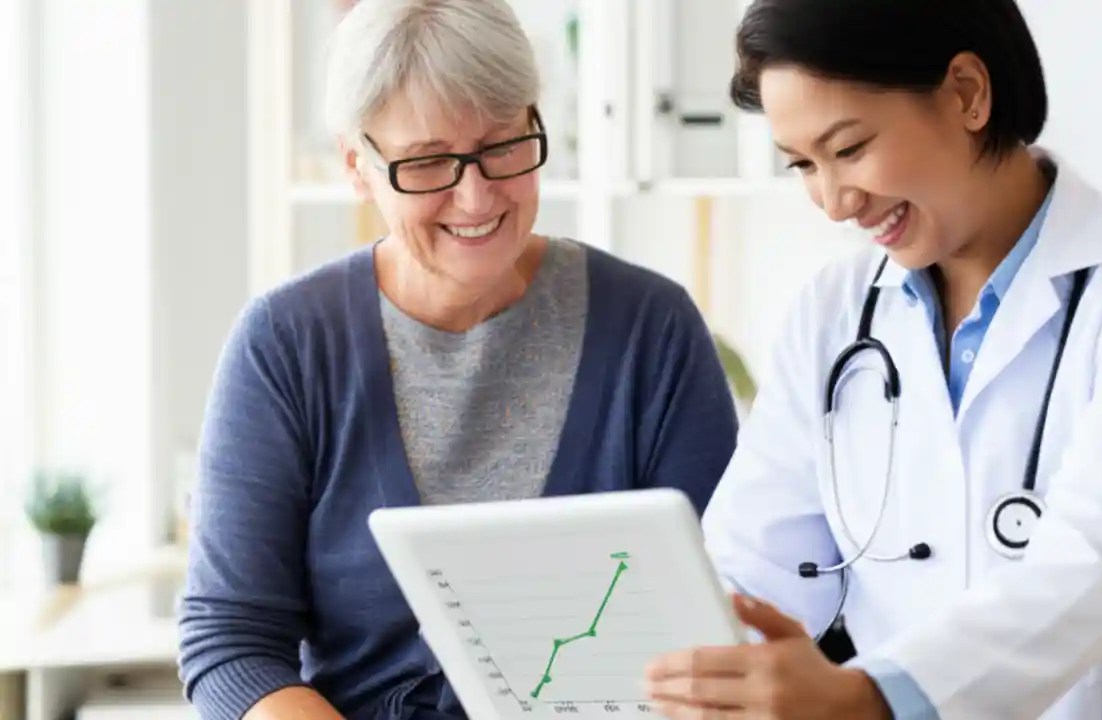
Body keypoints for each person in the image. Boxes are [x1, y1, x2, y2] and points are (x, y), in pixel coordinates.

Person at [645, 0, 1102, 718]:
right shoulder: (833, 311)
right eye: (803, 164)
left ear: (966, 93)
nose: (834, 201)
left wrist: (871, 694)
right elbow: (755, 562)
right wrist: (711, 676)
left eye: (849, 148)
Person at [177, 1, 739, 718]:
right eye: (429, 162)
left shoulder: (650, 330)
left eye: (503, 145)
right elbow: (232, 640)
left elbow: (717, 612)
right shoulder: (287, 344)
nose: (475, 197)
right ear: (359, 166)